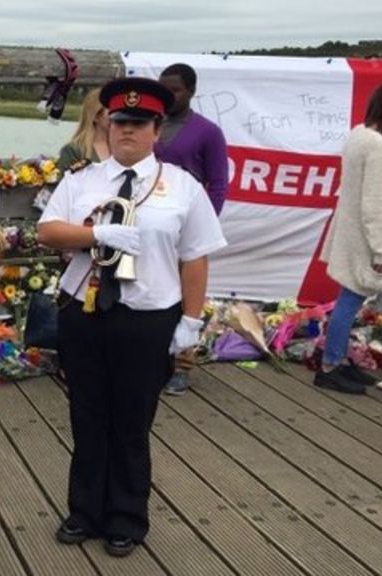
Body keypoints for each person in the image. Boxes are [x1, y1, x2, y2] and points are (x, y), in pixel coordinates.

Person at [37, 77, 225, 557]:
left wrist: (191, 321)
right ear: (107, 123)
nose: (127, 130)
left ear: (157, 130)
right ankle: (84, 511)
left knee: (132, 421)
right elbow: (47, 231)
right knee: (86, 415)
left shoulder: (182, 187)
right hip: (85, 312)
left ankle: (126, 516)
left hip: (147, 318)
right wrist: (96, 235)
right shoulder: (82, 180)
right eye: (120, 120)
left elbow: (196, 257)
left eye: (139, 123)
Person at [317, 82, 382, 394]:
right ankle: (330, 365)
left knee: (347, 298)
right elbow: (374, 204)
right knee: (349, 301)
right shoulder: (380, 147)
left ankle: (337, 359)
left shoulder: (358, 135)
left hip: (349, 231)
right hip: (364, 237)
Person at [156, 63, 230, 396]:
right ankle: (154, 359)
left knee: (189, 297)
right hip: (155, 225)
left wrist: (202, 224)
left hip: (187, 227)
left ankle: (182, 366)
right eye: (164, 88)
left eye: (175, 89)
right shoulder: (151, 124)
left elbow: (218, 182)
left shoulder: (208, 132)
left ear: (191, 91)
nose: (168, 95)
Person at [58, 87, 110, 171]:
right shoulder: (73, 151)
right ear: (96, 117)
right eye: (111, 113)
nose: (118, 117)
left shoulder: (124, 148)